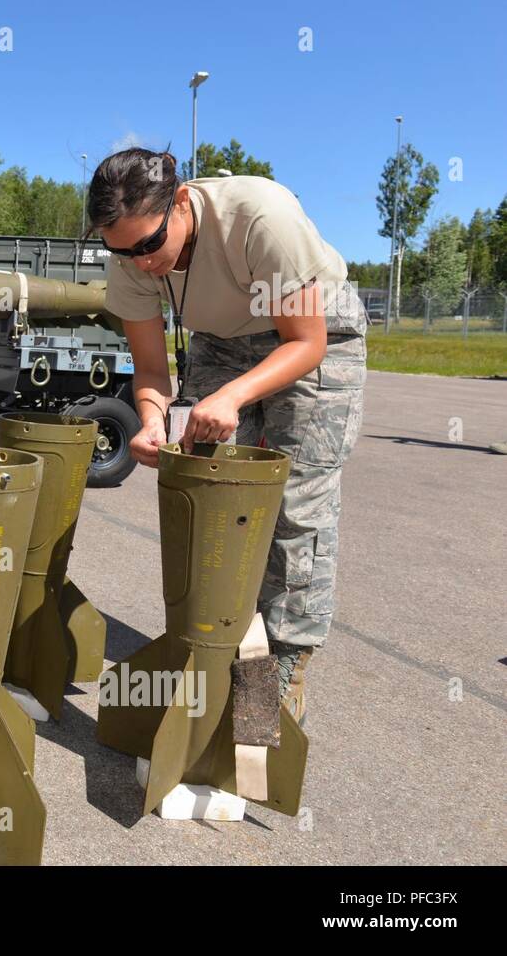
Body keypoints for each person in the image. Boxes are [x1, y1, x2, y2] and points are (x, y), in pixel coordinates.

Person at [89, 148, 368, 726]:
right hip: (221, 339)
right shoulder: (129, 255)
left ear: (182, 202)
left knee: (295, 503)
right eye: (121, 251)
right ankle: (217, 644)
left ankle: (280, 671)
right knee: (212, 490)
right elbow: (150, 369)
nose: (139, 263)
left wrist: (233, 396)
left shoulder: (261, 217)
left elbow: (305, 342)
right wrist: (150, 420)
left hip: (315, 334)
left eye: (148, 245)